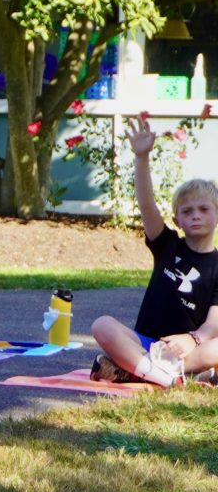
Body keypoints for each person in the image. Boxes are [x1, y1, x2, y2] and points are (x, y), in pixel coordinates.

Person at [93, 117, 218, 385]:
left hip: (186, 351)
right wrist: (141, 157)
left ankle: (137, 371)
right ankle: (168, 378)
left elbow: (212, 324)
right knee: (102, 325)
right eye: (187, 211)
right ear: (176, 220)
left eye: (204, 209)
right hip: (144, 343)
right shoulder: (167, 244)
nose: (195, 215)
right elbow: (147, 204)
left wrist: (193, 339)